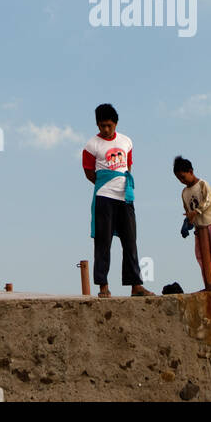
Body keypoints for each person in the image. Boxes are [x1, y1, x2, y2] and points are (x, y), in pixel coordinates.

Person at [82, 103, 153, 297]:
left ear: (116, 123)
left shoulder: (126, 141)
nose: (105, 129)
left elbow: (128, 166)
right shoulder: (91, 145)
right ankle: (103, 286)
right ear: (97, 125)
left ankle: (136, 285)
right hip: (104, 197)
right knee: (102, 242)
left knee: (130, 240)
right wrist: (106, 183)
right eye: (102, 125)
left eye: (109, 125)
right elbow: (89, 172)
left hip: (125, 198)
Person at [173, 156, 211, 293]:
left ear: (191, 171)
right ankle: (209, 283)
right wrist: (187, 224)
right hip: (199, 227)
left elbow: (207, 201)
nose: (182, 181)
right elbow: (187, 210)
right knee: (200, 255)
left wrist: (196, 211)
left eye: (183, 177)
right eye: (179, 179)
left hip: (210, 222)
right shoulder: (184, 193)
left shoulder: (203, 184)